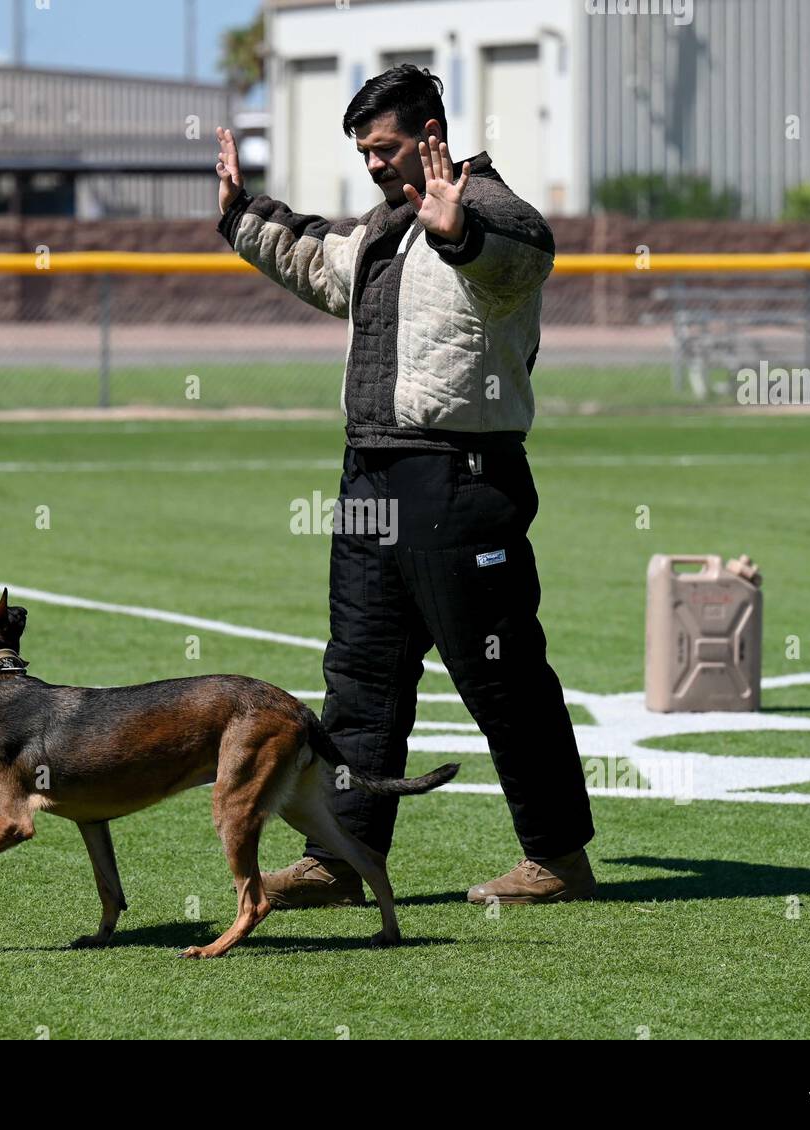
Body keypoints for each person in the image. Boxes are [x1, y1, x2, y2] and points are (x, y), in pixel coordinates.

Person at [214, 65, 595, 906]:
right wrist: (242, 211)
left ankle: (559, 860)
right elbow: (318, 261)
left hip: (459, 477)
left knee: (502, 676)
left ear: (432, 134)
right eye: (364, 153)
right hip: (371, 476)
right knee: (359, 677)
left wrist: (460, 232)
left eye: (384, 148)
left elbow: (518, 264)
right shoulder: (384, 230)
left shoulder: (492, 212)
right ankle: (341, 859)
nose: (375, 165)